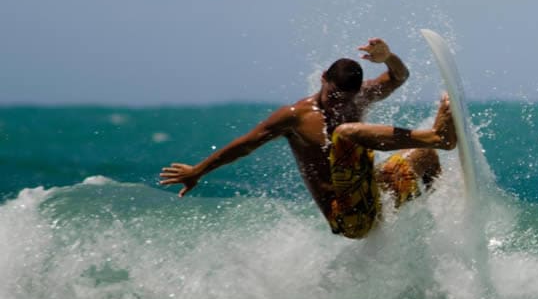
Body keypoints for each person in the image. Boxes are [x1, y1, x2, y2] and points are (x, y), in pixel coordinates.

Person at [159, 37, 457, 239]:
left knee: (425, 159)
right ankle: (436, 136)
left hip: (374, 197)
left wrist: (389, 57)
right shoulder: (295, 116)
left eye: (347, 99)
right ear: (322, 80)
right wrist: (198, 171)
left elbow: (398, 77)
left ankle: (434, 221)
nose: (339, 105)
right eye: (334, 97)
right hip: (348, 217)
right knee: (346, 134)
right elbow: (245, 145)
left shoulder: (357, 98)